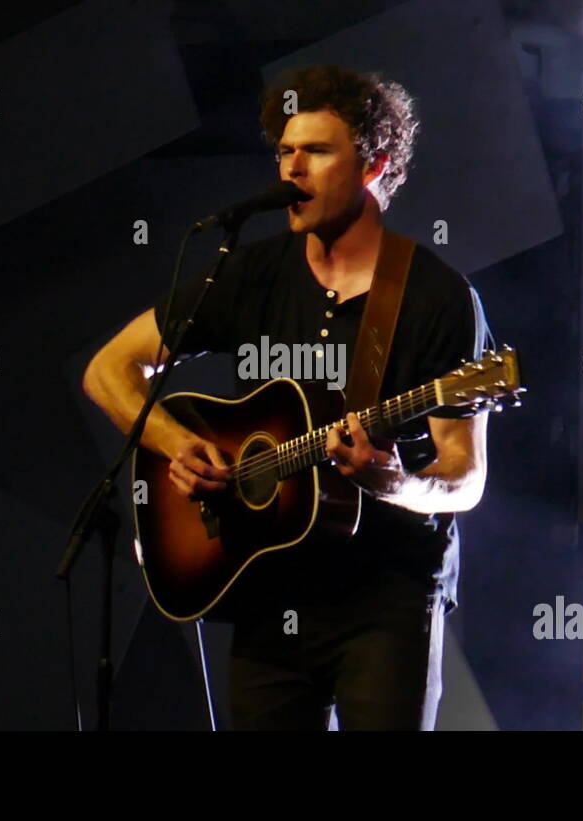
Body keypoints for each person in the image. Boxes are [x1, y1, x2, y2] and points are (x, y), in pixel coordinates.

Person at [83, 65, 494, 730]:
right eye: (284, 151)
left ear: (373, 165)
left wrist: (390, 479)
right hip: (270, 582)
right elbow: (109, 368)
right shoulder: (251, 272)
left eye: (317, 151)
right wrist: (175, 442)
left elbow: (463, 476)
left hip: (388, 594)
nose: (291, 169)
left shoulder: (434, 297)